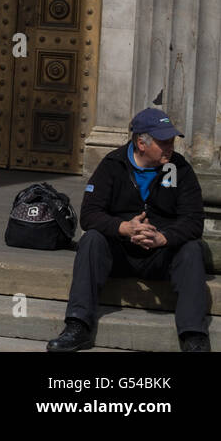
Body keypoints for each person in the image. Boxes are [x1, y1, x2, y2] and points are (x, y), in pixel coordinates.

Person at [47, 108, 210, 352]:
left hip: (161, 255)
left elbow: (194, 220)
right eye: (163, 142)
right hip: (121, 252)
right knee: (91, 240)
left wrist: (163, 238)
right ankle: (77, 326)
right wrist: (124, 228)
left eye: (172, 141)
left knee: (192, 248)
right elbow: (90, 215)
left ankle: (194, 336)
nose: (170, 147)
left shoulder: (179, 168)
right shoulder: (113, 164)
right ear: (141, 143)